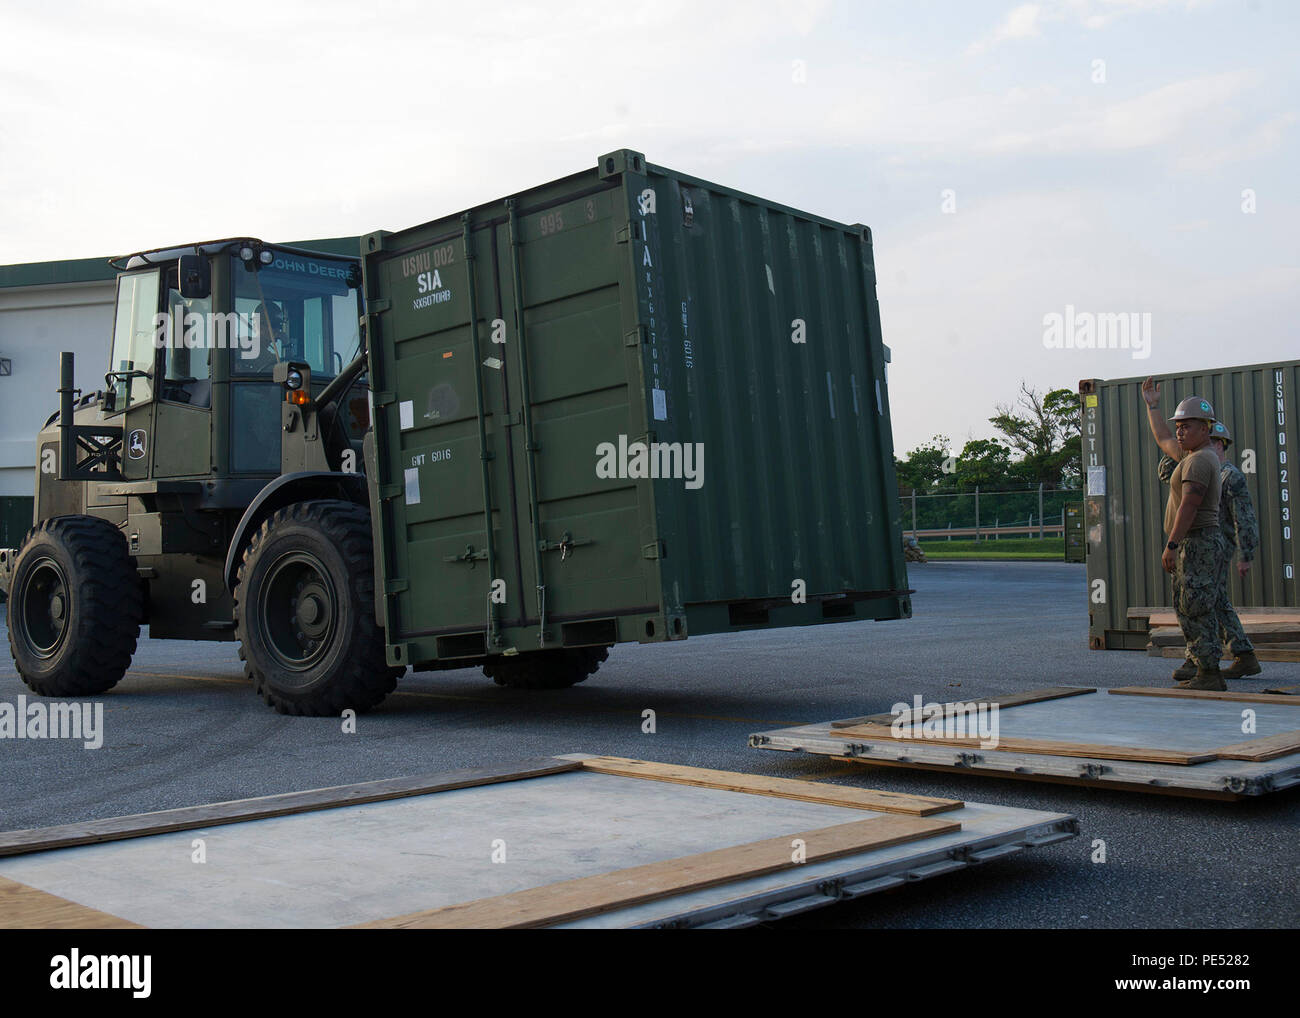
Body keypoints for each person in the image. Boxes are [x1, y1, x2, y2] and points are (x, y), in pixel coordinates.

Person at [1141, 378, 1225, 690]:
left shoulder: (1200, 460)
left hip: (1197, 541)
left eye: (1187, 426)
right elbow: (1163, 438)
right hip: (1193, 542)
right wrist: (1153, 407)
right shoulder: (1191, 455)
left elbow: (1189, 505)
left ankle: (1209, 673)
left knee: (1197, 605)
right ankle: (1198, 663)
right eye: (1180, 426)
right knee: (1187, 603)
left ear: (1206, 429)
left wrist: (1172, 544)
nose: (1180, 431)